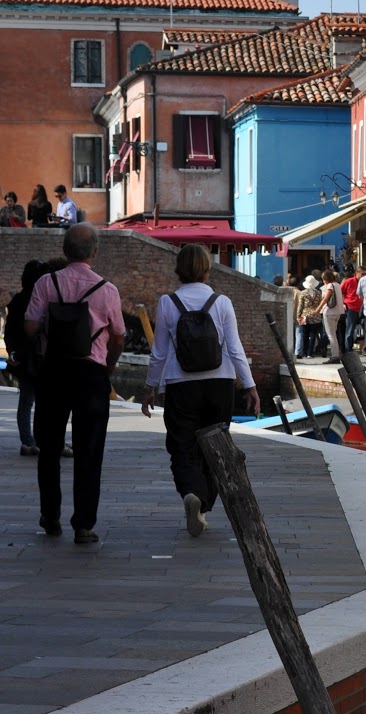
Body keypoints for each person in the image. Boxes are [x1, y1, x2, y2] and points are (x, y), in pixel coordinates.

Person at [140, 244, 260, 537]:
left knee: (181, 446)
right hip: (219, 384)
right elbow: (235, 349)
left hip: (181, 386)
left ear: (179, 268)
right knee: (216, 447)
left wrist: (150, 387)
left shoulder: (168, 303)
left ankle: (190, 493)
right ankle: (203, 505)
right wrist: (250, 386)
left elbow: (159, 352)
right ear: (207, 268)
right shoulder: (221, 302)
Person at [25, 224, 125, 543]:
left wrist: (46, 334)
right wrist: (107, 367)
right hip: (91, 374)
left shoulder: (46, 283)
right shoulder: (107, 290)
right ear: (94, 252)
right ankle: (84, 525)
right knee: (89, 450)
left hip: (54, 372)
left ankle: (50, 516)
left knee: (50, 448)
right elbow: (119, 336)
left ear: (65, 251)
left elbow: (29, 326)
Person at [5, 260, 48, 455]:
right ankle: (41, 439)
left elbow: (10, 332)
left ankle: (27, 441)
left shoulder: (17, 301)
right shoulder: (44, 299)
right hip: (41, 357)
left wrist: (14, 353)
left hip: (23, 358)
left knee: (26, 401)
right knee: (44, 402)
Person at [316, 269, 344, 363]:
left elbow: (325, 299)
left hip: (329, 313)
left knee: (331, 335)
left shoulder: (329, 286)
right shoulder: (338, 285)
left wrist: (317, 310)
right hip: (338, 312)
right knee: (334, 334)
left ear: (326, 279)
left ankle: (335, 356)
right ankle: (336, 354)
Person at [294, 274, 322, 359]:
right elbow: (319, 303)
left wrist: (298, 316)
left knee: (304, 335)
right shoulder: (318, 293)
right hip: (315, 315)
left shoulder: (303, 293)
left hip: (305, 316)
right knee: (313, 335)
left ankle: (304, 352)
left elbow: (300, 306)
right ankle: (310, 353)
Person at [339, 266, 363, 354]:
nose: (364, 276)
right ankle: (348, 350)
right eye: (362, 274)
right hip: (351, 308)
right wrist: (342, 303)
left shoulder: (365, 282)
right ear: (357, 273)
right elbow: (339, 293)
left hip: (363, 308)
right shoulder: (348, 282)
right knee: (349, 330)